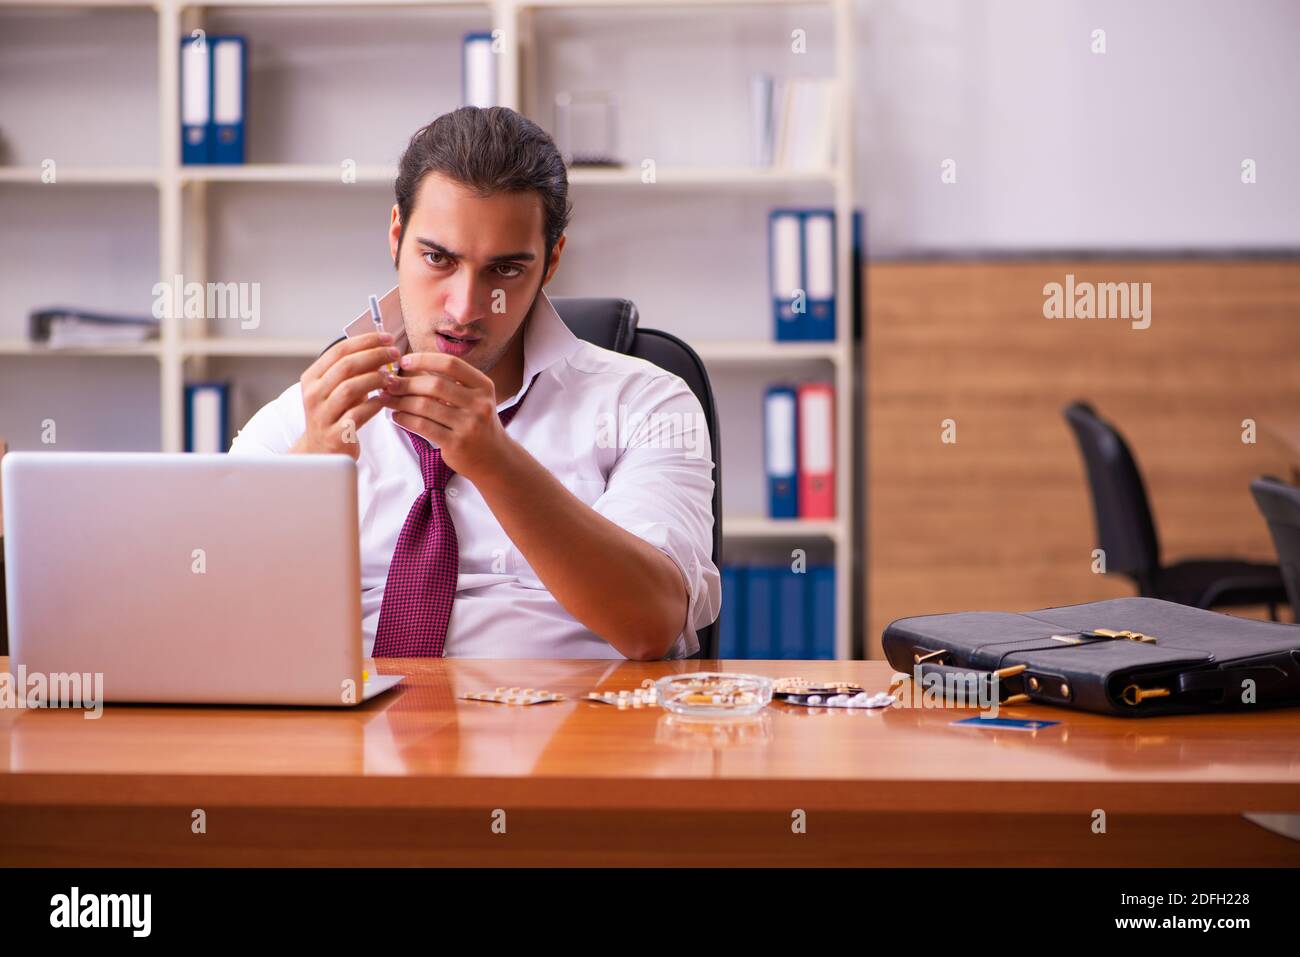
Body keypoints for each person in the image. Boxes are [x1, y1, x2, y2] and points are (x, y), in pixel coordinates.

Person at [230, 106, 719, 659]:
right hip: (353, 730)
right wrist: (310, 473)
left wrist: (493, 459)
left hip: (568, 729)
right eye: (438, 258)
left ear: (551, 261)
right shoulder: (305, 418)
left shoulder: (648, 403)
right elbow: (212, 615)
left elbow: (651, 625)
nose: (465, 308)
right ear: (396, 236)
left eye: (505, 270)